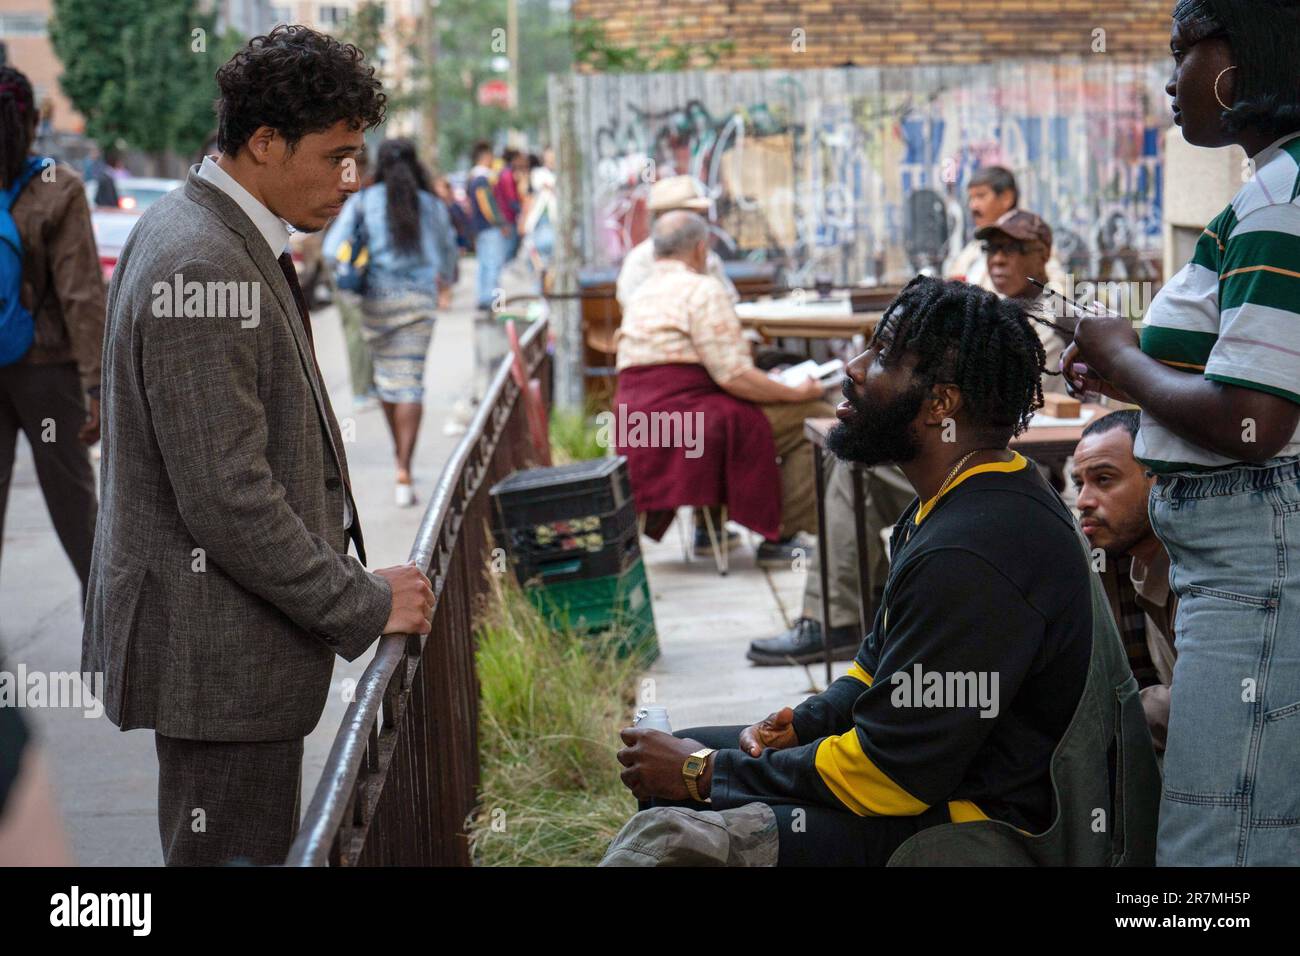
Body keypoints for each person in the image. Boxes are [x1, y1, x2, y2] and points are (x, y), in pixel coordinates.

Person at [605, 276, 1146, 867]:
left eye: (882, 355)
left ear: (941, 403)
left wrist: (700, 773)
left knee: (672, 836)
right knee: (696, 757)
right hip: (936, 782)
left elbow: (889, 776)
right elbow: (877, 668)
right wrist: (809, 720)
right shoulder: (949, 502)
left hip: (993, 831)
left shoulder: (972, 549)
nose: (854, 369)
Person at [82, 25, 435, 867]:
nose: (353, 179)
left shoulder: (204, 227)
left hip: (226, 648)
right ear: (265, 142)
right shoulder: (202, 260)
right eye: (337, 154)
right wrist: (361, 601)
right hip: (217, 659)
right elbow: (227, 496)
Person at [1064, 0, 1300, 866]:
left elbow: (1255, 420)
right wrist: (1123, 365)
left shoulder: (1281, 201)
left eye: (1181, 53)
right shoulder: (1270, 192)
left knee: (1219, 843)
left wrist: (1121, 357)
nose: (1169, 79)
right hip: (1245, 557)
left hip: (1259, 558)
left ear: (1241, 63)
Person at [614, 211, 830, 566]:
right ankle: (781, 535)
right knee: (815, 419)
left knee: (737, 411)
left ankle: (709, 531)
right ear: (701, 250)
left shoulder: (641, 293)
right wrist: (797, 393)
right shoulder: (702, 289)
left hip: (637, 428)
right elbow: (734, 377)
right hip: (688, 428)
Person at [0, 66, 104, 602]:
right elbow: (81, 295)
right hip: (47, 373)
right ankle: (107, 634)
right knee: (74, 507)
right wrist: (95, 388)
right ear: (34, 120)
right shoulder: (55, 187)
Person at [323, 138, 458, 507]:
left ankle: (398, 453)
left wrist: (352, 278)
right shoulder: (431, 205)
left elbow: (332, 249)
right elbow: (448, 253)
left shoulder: (364, 202)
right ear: (416, 166)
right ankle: (404, 467)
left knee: (386, 379)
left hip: (375, 301)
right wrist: (447, 280)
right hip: (418, 301)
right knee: (410, 381)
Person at [1071, 409, 1178, 751]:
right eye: (1079, 484)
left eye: (1104, 479)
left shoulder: (1203, 572)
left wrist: (1097, 717)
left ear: (1158, 479)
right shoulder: (1110, 559)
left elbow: (1208, 702)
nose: (1083, 501)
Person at [976, 208, 1070, 395]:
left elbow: (1014, 400)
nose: (997, 260)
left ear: (1043, 254)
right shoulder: (997, 310)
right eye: (992, 248)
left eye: (1011, 248)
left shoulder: (1055, 320)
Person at [615, 174, 738, 311]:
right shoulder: (640, 260)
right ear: (664, 217)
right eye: (690, 215)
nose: (697, 221)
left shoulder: (705, 254)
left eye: (699, 215)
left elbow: (728, 301)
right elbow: (636, 312)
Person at [945, 165, 1066, 292]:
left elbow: (1057, 293)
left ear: (1006, 198)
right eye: (971, 198)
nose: (973, 206)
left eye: (981, 196)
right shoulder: (974, 247)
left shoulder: (1030, 237)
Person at [324, 149, 377, 409]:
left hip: (341, 268)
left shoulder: (351, 196)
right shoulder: (358, 200)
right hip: (345, 271)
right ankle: (360, 391)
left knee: (358, 330)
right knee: (356, 332)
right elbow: (335, 246)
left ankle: (368, 386)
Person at [468, 141, 509, 314]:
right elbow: (487, 205)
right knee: (493, 264)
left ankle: (484, 298)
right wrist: (500, 223)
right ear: (485, 157)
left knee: (484, 264)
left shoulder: (473, 178)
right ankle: (493, 301)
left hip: (480, 229)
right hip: (489, 228)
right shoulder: (482, 179)